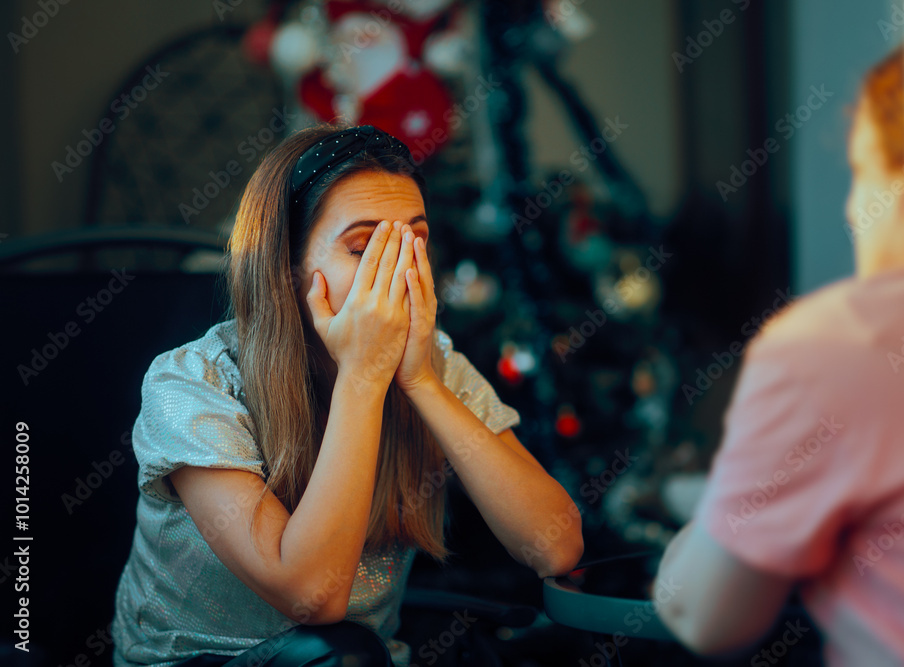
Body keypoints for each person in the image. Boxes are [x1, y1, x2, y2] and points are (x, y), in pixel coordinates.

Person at [110, 124, 584, 667]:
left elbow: (555, 546)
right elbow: (312, 596)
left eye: (414, 244)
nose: (401, 274)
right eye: (365, 249)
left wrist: (421, 382)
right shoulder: (192, 383)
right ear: (287, 270)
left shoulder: (434, 361)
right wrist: (363, 377)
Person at [653, 44, 904, 665]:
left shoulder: (838, 342)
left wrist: (691, 541)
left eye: (861, 171)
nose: (853, 209)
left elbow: (707, 617)